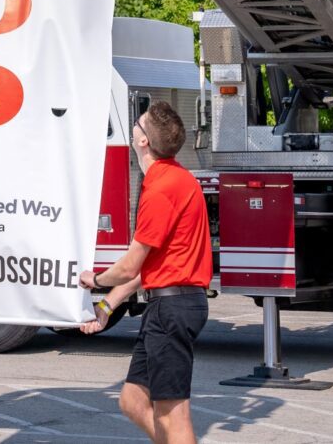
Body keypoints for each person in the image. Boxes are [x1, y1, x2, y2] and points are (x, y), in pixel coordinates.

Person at [79, 102, 211, 444]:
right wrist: (107, 307)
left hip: (172, 309)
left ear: (142, 141)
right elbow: (150, 269)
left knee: (173, 415)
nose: (134, 125)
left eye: (137, 123)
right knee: (133, 402)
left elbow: (130, 266)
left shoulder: (162, 188)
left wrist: (95, 280)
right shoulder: (175, 178)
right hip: (167, 304)